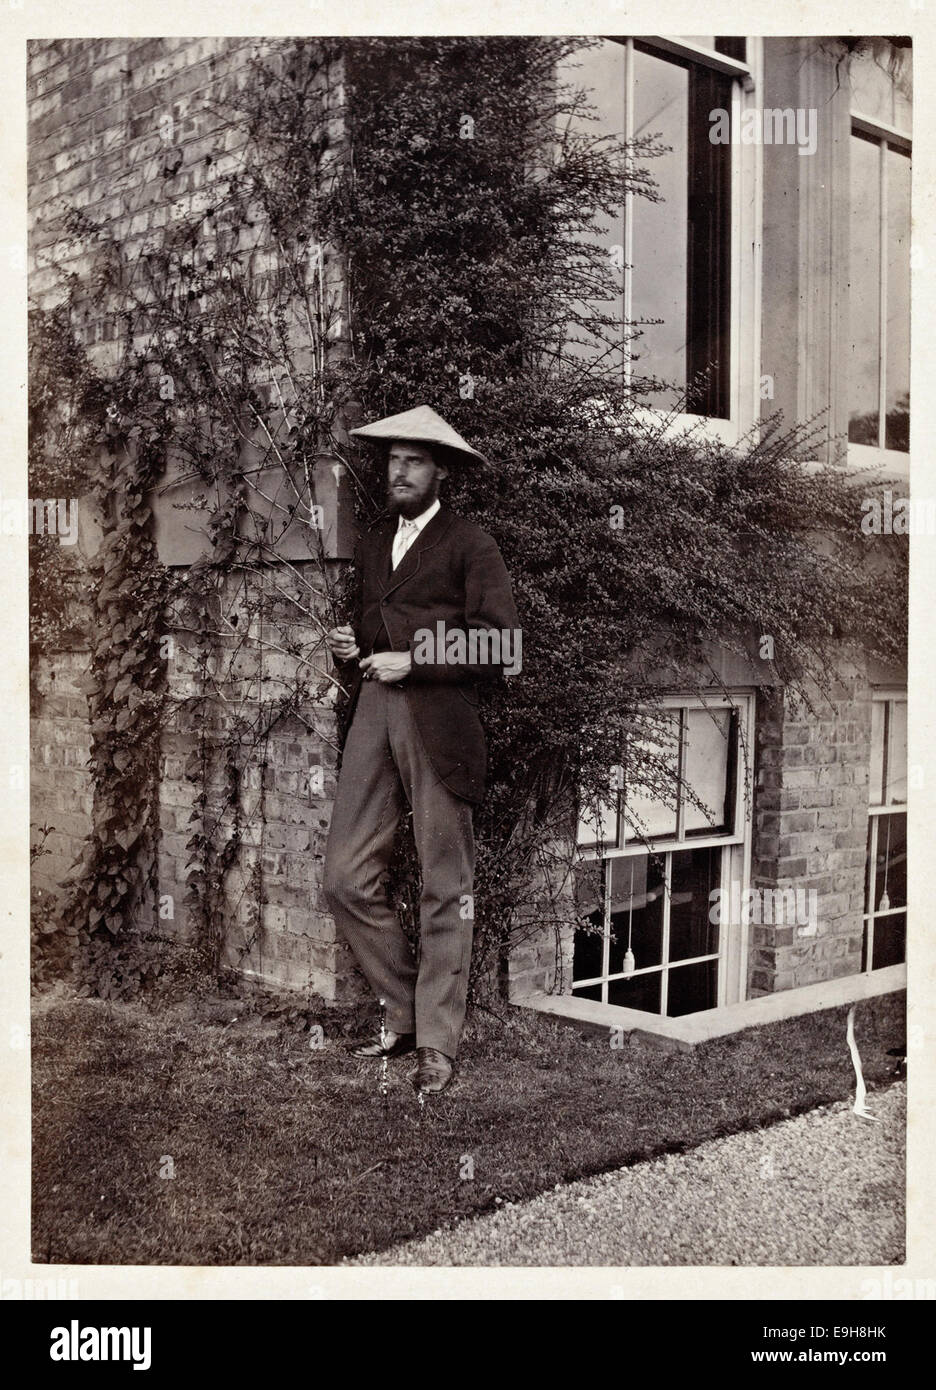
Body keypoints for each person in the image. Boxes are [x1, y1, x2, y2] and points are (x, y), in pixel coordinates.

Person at [323, 406, 520, 1094]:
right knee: (345, 875)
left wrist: (415, 661)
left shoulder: (472, 544)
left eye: (412, 461)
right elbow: (378, 626)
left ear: (441, 471)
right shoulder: (377, 541)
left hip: (440, 718)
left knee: (446, 885)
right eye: (392, 460)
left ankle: (437, 1041)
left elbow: (502, 644)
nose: (397, 472)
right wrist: (357, 646)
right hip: (377, 710)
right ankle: (404, 1005)